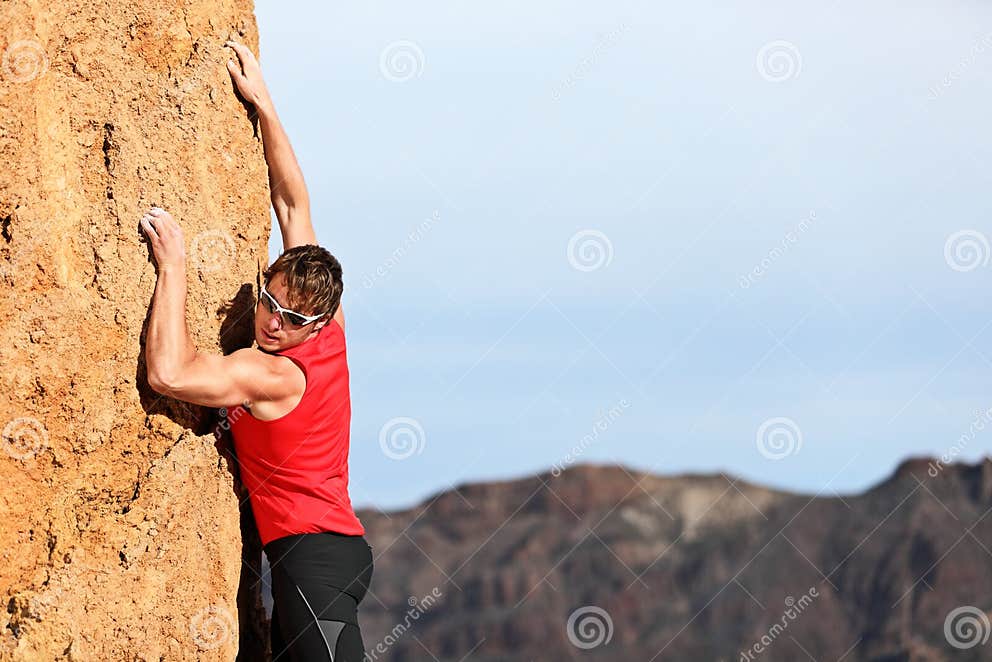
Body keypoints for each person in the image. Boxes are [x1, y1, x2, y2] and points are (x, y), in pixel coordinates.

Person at [139, 38, 373, 662]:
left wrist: (175, 267)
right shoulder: (325, 310)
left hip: (314, 563)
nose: (272, 321)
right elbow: (292, 202)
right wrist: (266, 106)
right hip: (324, 555)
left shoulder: (271, 375)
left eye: (293, 320)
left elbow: (168, 373)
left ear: (319, 326)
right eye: (269, 301)